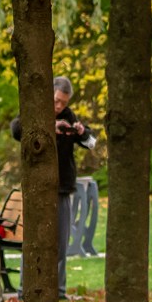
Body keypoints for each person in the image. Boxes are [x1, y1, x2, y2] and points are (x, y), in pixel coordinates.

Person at [53, 76, 99, 259]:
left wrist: (82, 132)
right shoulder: (35, 111)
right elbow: (17, 130)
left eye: (63, 103)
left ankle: (60, 288)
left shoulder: (68, 115)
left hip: (63, 186)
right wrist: (50, 126)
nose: (59, 107)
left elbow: (91, 143)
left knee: (61, 244)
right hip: (39, 187)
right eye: (56, 101)